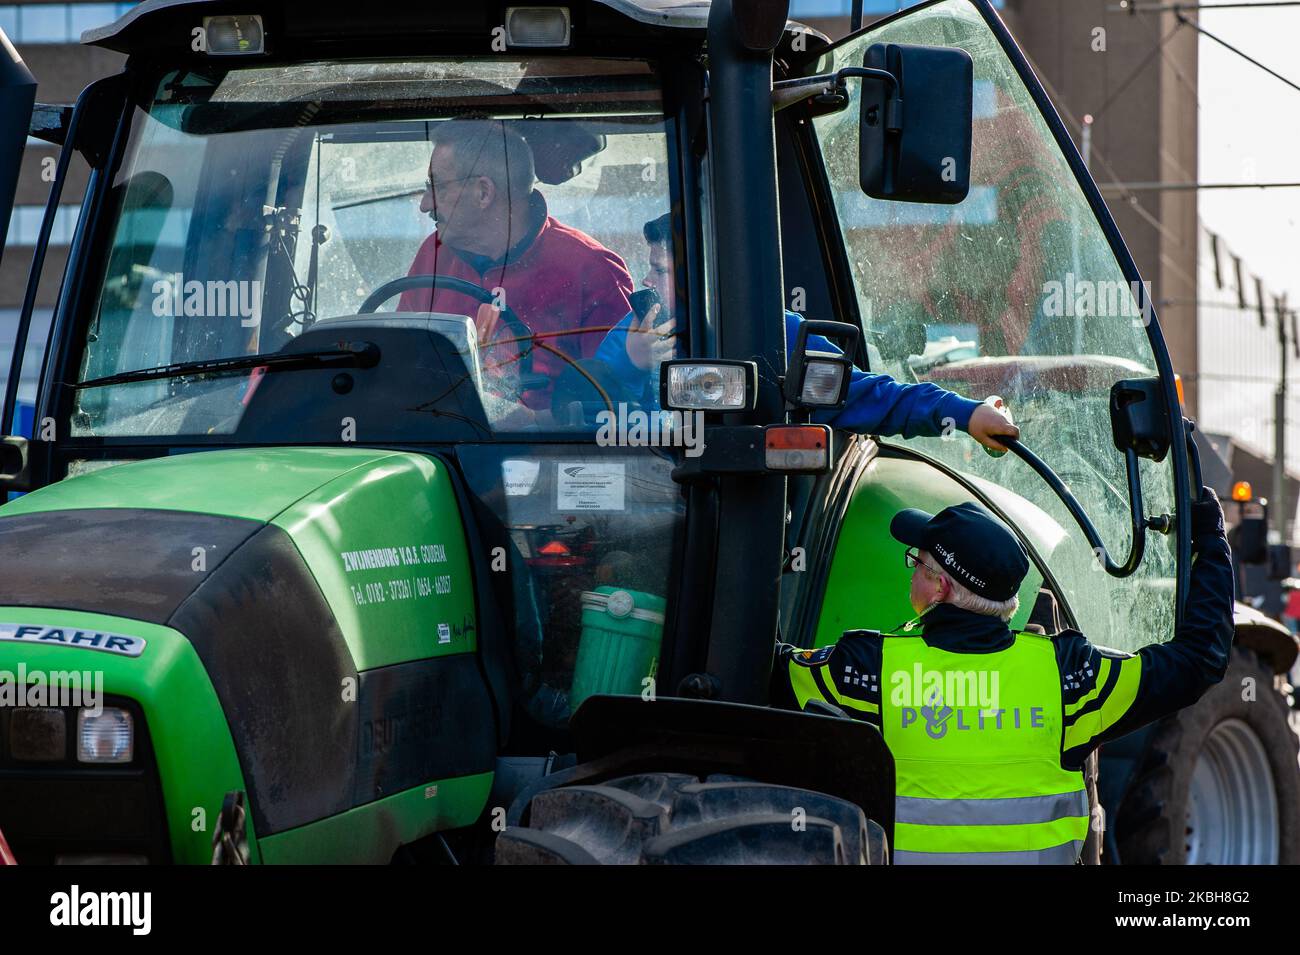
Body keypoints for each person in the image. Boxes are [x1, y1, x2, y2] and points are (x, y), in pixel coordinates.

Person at [771, 491, 1235, 864]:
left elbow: (766, 668)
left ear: (941, 587)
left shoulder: (867, 669)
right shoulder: (1070, 677)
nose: (912, 572)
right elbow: (1198, 660)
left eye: (917, 562)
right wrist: (1212, 542)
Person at [596, 213, 1019, 450]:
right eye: (650, 268)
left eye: (660, 271)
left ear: (708, 278)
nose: (647, 283)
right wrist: (632, 366)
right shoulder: (631, 332)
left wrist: (965, 413)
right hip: (633, 492)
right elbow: (580, 410)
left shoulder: (776, 335)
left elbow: (872, 396)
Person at [399, 120, 635, 409]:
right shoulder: (432, 255)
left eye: (437, 188)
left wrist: (533, 424)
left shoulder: (594, 270)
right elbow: (401, 367)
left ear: (484, 192)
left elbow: (617, 404)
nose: (425, 204)